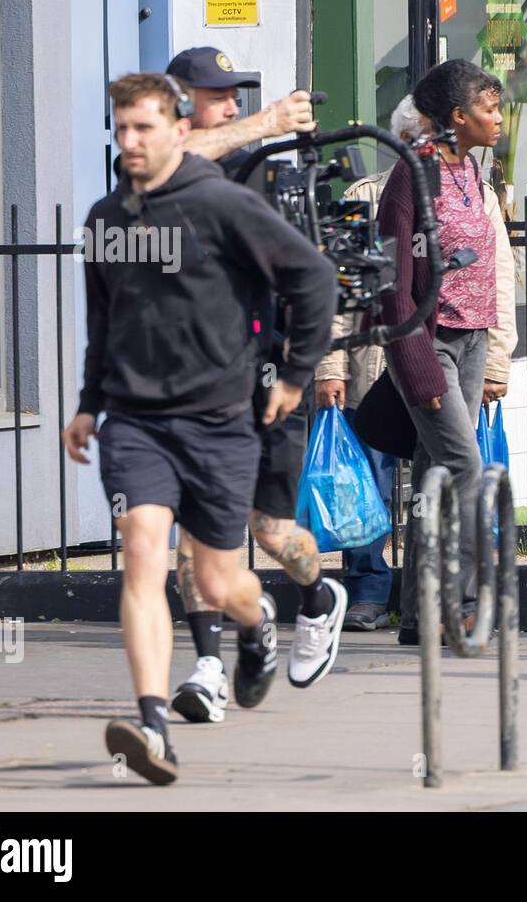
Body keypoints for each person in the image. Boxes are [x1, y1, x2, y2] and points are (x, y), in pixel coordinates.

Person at [62, 73, 336, 784]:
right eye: (120, 129)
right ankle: (153, 726)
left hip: (219, 422)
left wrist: (296, 374)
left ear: (179, 130)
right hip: (136, 424)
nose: (129, 143)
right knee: (143, 552)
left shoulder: (223, 206)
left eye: (143, 129)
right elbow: (104, 324)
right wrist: (90, 404)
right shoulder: (105, 220)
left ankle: (257, 624)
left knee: (222, 578)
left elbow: (313, 278)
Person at [159, 47, 346, 725]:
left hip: (268, 369)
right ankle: (208, 666)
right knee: (196, 530)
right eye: (217, 95)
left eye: (238, 95)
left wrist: (312, 367)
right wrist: (264, 121)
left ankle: (318, 599)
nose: (232, 105)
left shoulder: (268, 174)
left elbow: (312, 276)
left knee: (272, 531)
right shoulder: (162, 164)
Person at [315, 94, 519, 633]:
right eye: (408, 139)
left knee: (439, 469)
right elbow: (342, 281)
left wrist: (496, 356)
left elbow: (495, 274)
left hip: (448, 350)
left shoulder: (475, 189)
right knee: (370, 481)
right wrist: (328, 366)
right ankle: (368, 591)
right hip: (376, 356)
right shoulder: (368, 193)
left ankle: (424, 609)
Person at [376, 60, 504, 646]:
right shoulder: (412, 176)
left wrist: (494, 345)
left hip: (472, 340)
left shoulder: (472, 170)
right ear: (458, 116)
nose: (498, 119)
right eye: (490, 108)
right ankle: (466, 601)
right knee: (465, 467)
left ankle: (418, 615)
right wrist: (417, 364)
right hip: (431, 346)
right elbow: (393, 284)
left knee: (435, 471)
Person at [167, 45, 316, 176]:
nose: (233, 111)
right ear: (181, 105)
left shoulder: (248, 167)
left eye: (234, 98)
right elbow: (171, 156)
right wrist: (266, 122)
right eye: (219, 98)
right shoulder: (155, 155)